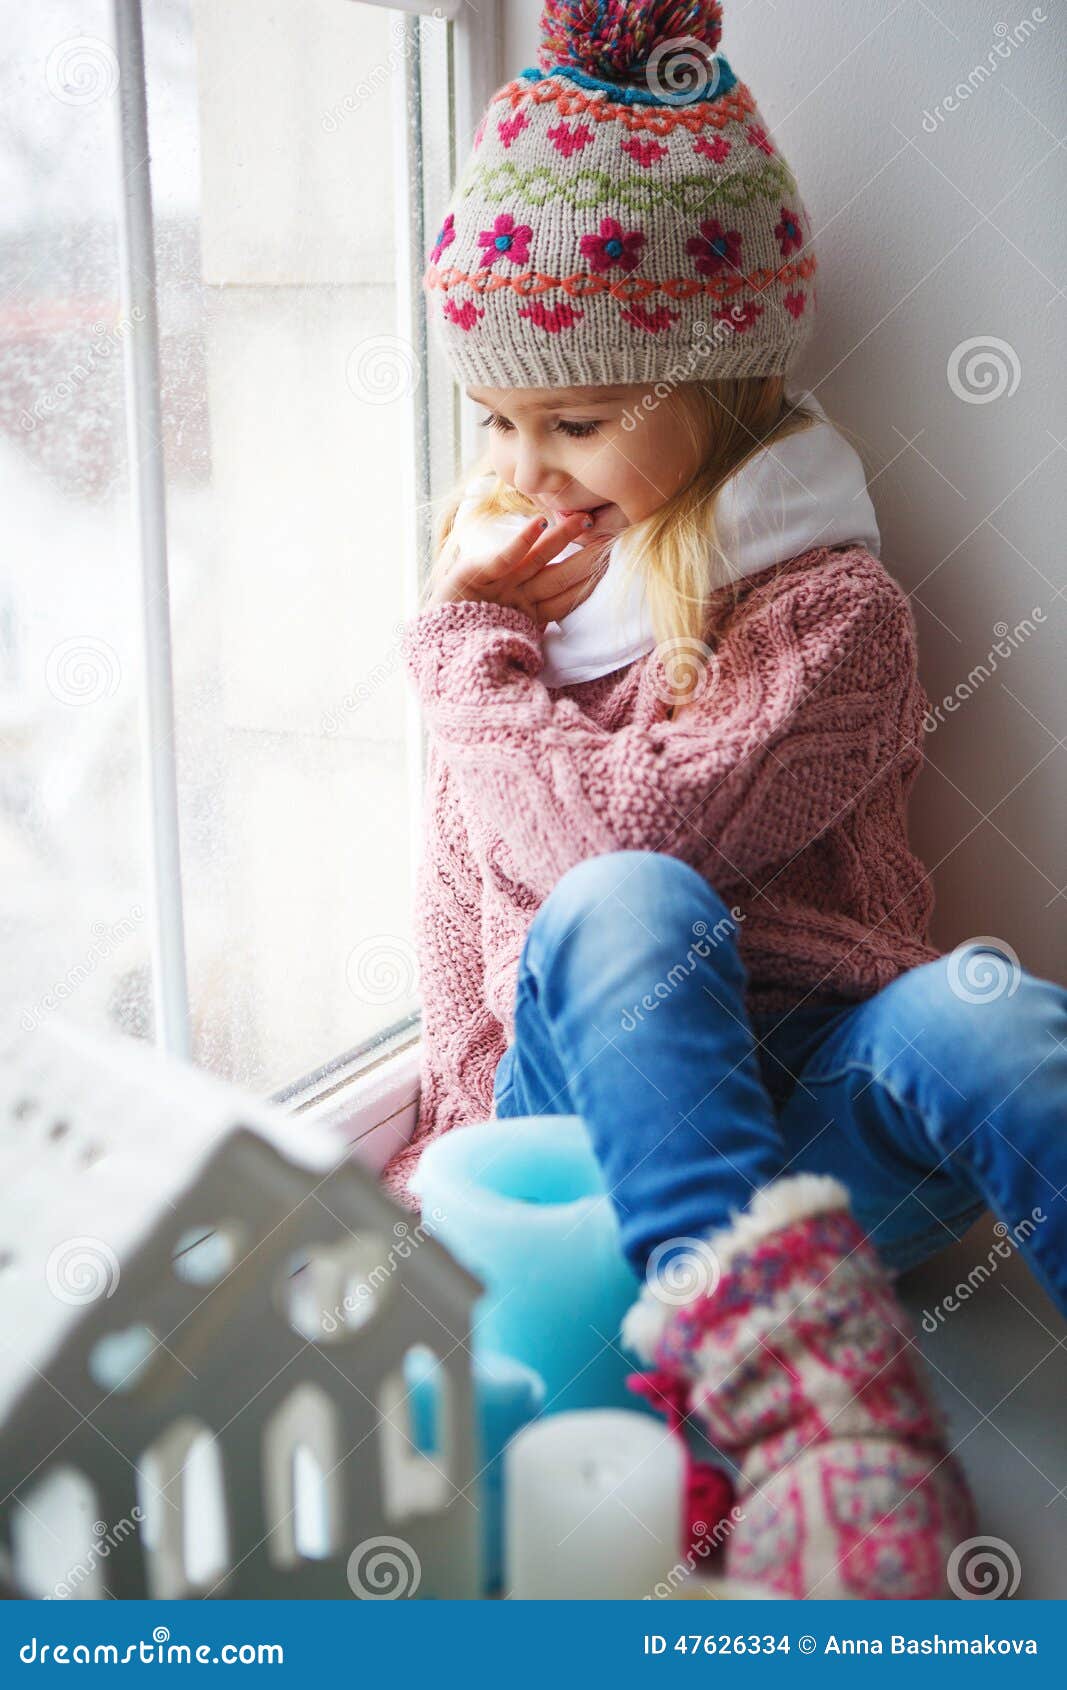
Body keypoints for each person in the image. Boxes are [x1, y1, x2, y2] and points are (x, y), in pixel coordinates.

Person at [381, 1, 1065, 1596]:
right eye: (500, 420)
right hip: (586, 1147)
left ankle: (810, 1342)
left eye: (580, 421)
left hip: (807, 1141)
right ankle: (805, 1422)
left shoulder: (832, 617)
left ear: (721, 386)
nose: (527, 472)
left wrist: (478, 662)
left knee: (982, 1007)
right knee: (629, 909)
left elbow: (632, 825)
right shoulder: (503, 612)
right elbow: (504, 895)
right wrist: (465, 1171)